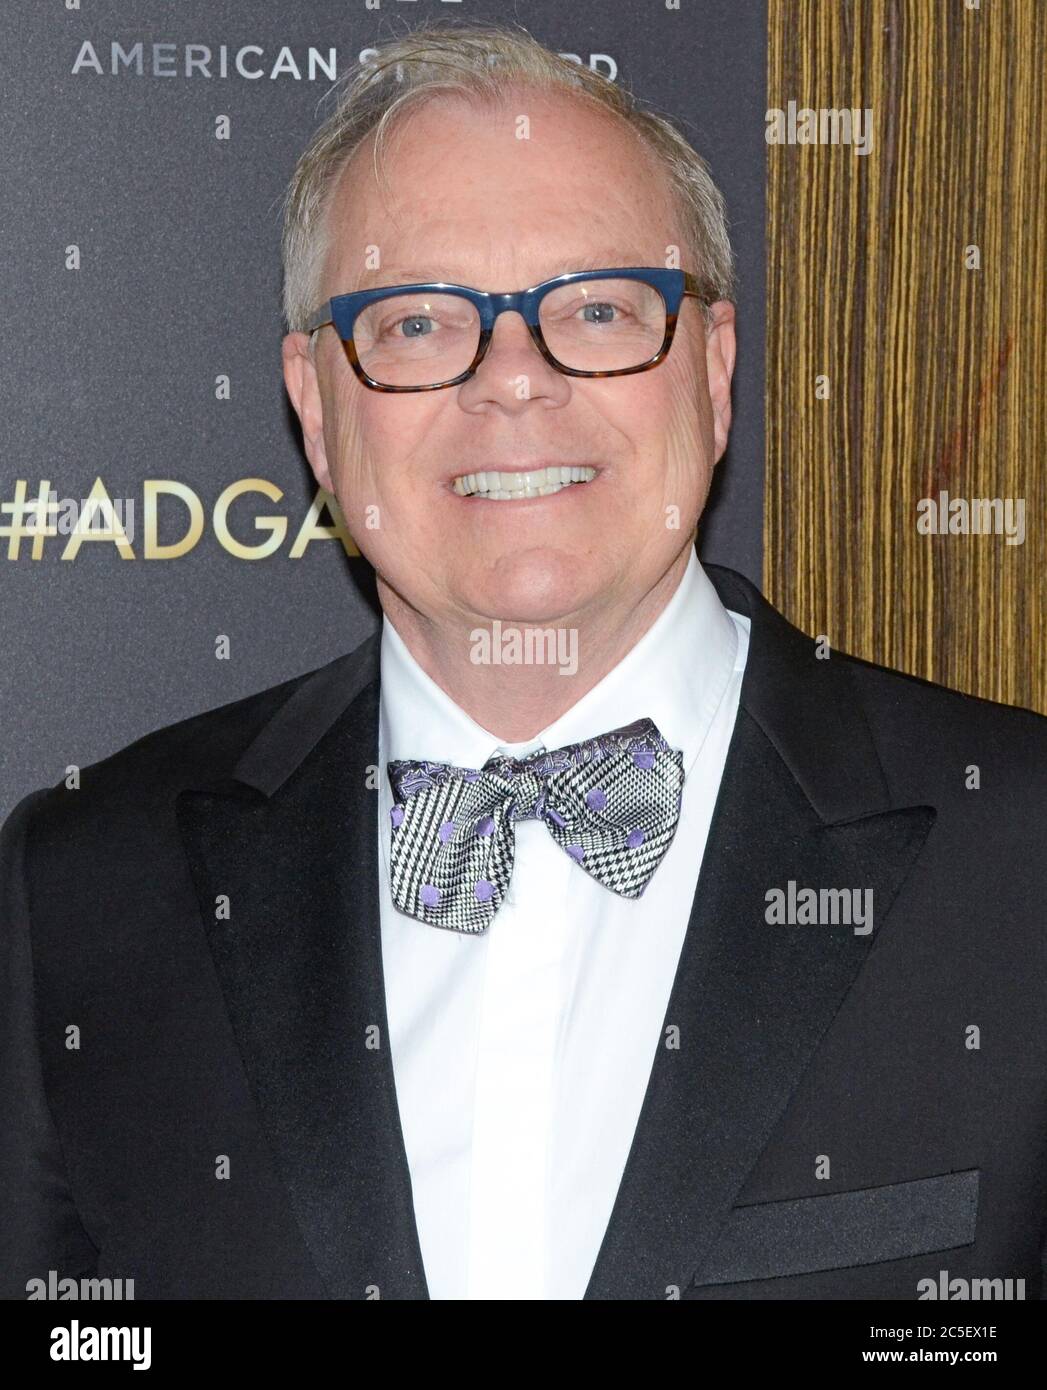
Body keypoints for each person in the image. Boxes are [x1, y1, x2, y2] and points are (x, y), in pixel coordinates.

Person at [2, 22, 1045, 1303]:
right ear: (317, 410)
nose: (513, 381)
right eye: (420, 321)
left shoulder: (1026, 855)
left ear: (715, 377)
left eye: (597, 310)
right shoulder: (85, 888)